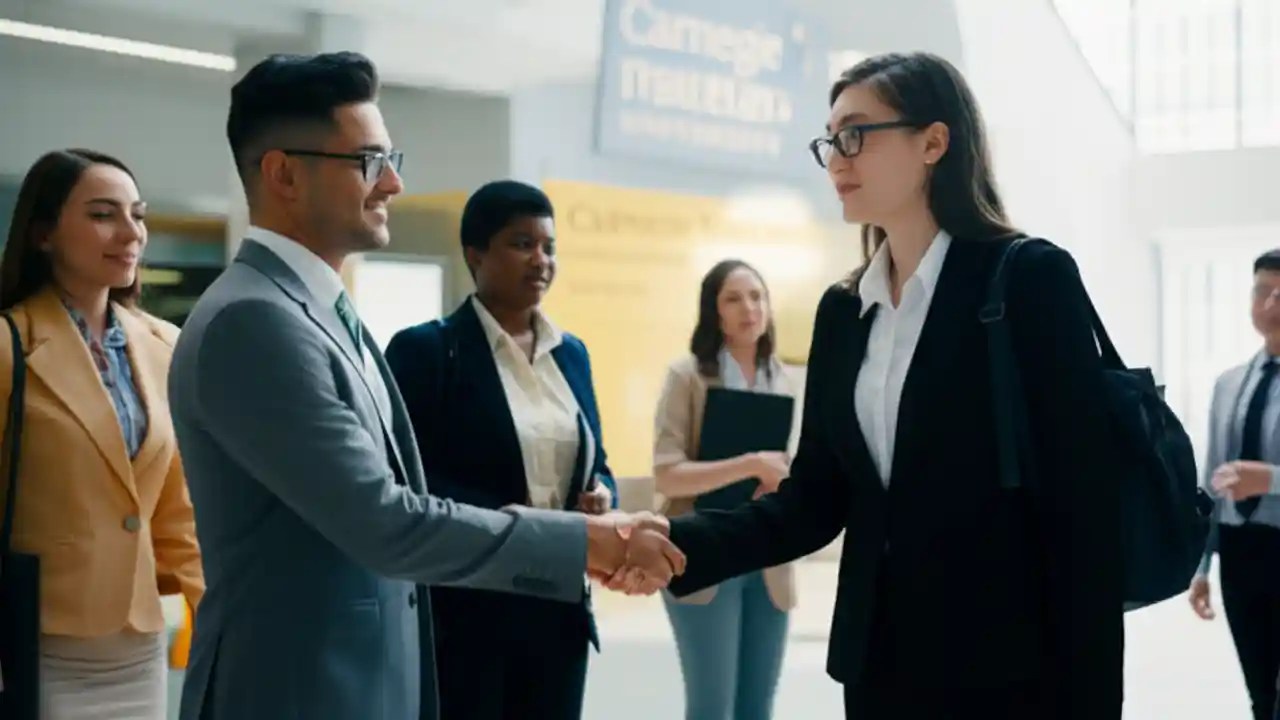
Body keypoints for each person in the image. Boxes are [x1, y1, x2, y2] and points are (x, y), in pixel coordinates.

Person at [167, 52, 683, 720]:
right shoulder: (254, 322)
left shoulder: (317, 313)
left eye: (391, 162)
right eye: (368, 163)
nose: (392, 186)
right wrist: (586, 542)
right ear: (284, 173)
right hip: (296, 690)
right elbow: (385, 519)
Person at [611, 51, 1124, 719]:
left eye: (855, 134)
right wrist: (682, 547)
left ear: (934, 142)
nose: (836, 159)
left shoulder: (1028, 280)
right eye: (829, 141)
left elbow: (1084, 515)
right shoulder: (844, 311)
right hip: (880, 668)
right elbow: (817, 498)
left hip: (1012, 673)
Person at [385, 180, 617, 720]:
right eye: (521, 243)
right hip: (467, 611)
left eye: (549, 247)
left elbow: (595, 459)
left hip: (559, 607)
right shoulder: (428, 351)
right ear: (476, 253)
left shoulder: (572, 354)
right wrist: (526, 530)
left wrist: (601, 492)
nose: (541, 260)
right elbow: (410, 484)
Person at [0, 149, 204, 720]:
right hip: (37, 645)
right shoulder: (9, 345)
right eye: (102, 214)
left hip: (139, 647)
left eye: (137, 214)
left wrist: (215, 608)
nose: (130, 233)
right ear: (43, 234)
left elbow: (175, 507)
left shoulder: (164, 345)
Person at [651, 259, 796, 720]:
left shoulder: (786, 378)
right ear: (714, 312)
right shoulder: (688, 376)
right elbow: (667, 474)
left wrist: (784, 480)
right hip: (704, 554)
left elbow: (802, 470)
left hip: (769, 557)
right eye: (733, 298)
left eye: (757, 296)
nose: (749, 308)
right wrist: (750, 465)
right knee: (712, 708)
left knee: (757, 710)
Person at [1188, 249, 1280, 720]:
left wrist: (1271, 480)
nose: (1272, 303)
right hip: (1241, 554)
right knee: (1260, 694)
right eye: (1263, 291)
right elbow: (1211, 480)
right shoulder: (1229, 383)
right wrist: (1201, 565)